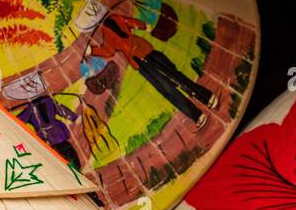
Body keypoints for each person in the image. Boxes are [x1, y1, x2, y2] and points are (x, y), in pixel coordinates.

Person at [89, 12, 217, 127]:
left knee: (175, 76)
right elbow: (108, 50)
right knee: (167, 90)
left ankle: (205, 96)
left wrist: (144, 26)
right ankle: (196, 114)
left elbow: (130, 22)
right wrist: (93, 50)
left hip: (147, 52)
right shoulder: (105, 32)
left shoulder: (114, 19)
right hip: (139, 64)